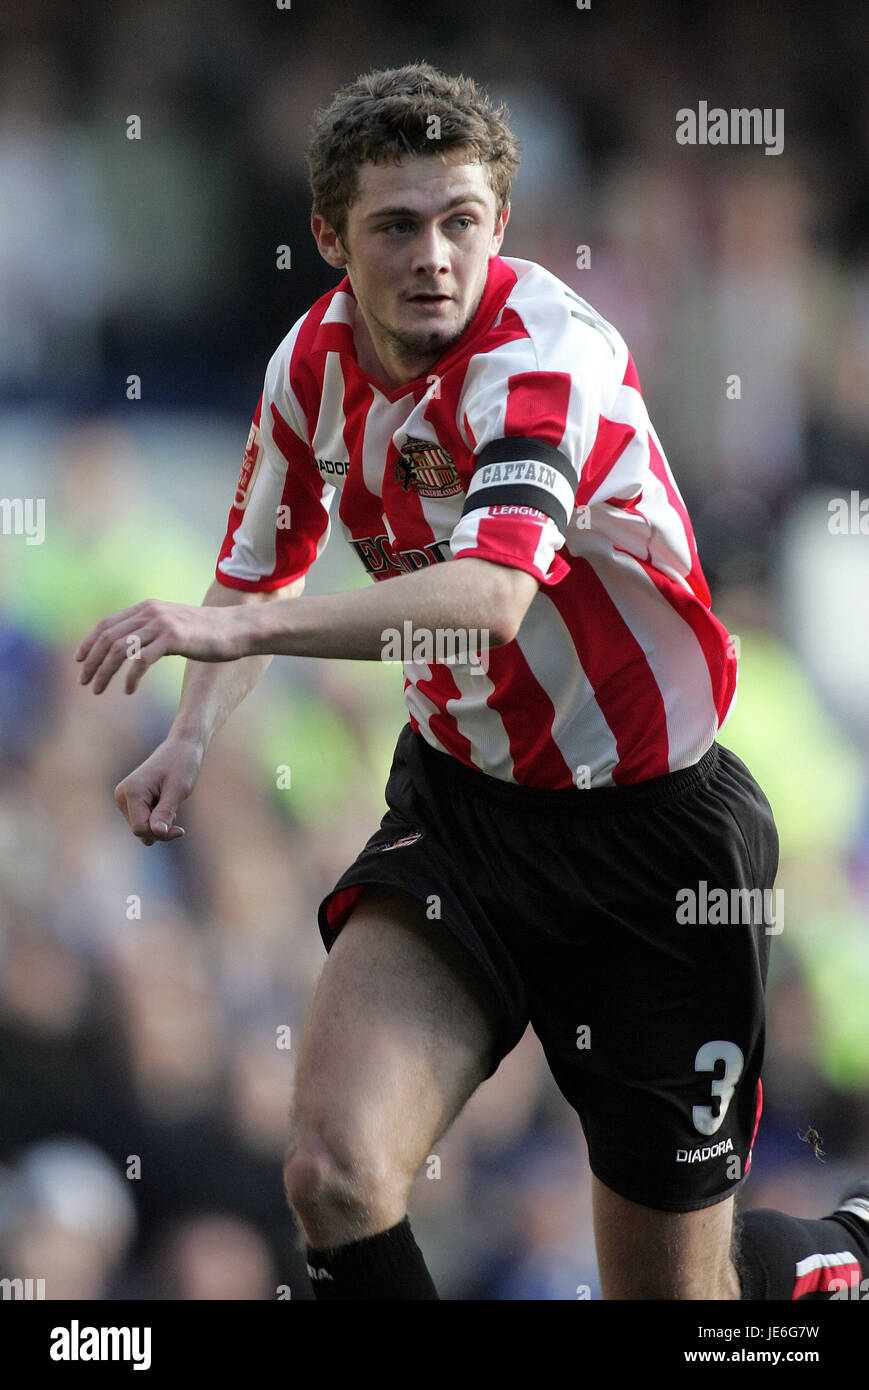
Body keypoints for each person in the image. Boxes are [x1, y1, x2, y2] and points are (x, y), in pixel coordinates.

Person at [76, 62, 869, 1301]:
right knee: (332, 1173)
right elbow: (253, 575)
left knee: (678, 1306)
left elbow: (483, 600)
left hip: (651, 842)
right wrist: (190, 739)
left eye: (461, 221)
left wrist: (237, 641)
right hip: (464, 813)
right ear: (330, 238)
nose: (434, 256)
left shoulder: (546, 350)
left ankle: (837, 1255)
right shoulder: (311, 367)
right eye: (395, 226)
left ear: (499, 224)